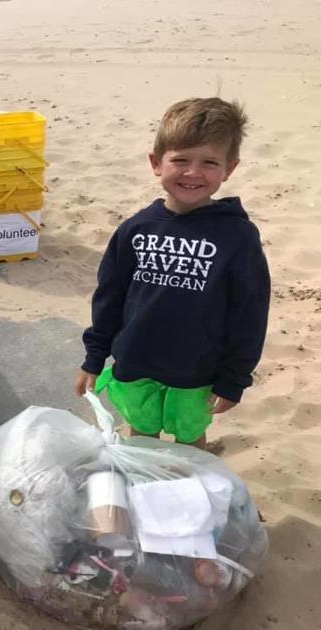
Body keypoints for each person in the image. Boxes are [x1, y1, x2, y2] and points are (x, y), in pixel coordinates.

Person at [74, 97, 270, 450]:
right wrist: (94, 356)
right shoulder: (135, 229)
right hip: (135, 364)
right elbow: (109, 297)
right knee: (142, 437)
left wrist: (234, 379)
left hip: (197, 374)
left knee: (190, 441)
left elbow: (250, 313)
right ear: (156, 162)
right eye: (180, 160)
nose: (193, 173)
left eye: (209, 162)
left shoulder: (238, 237)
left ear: (229, 168)